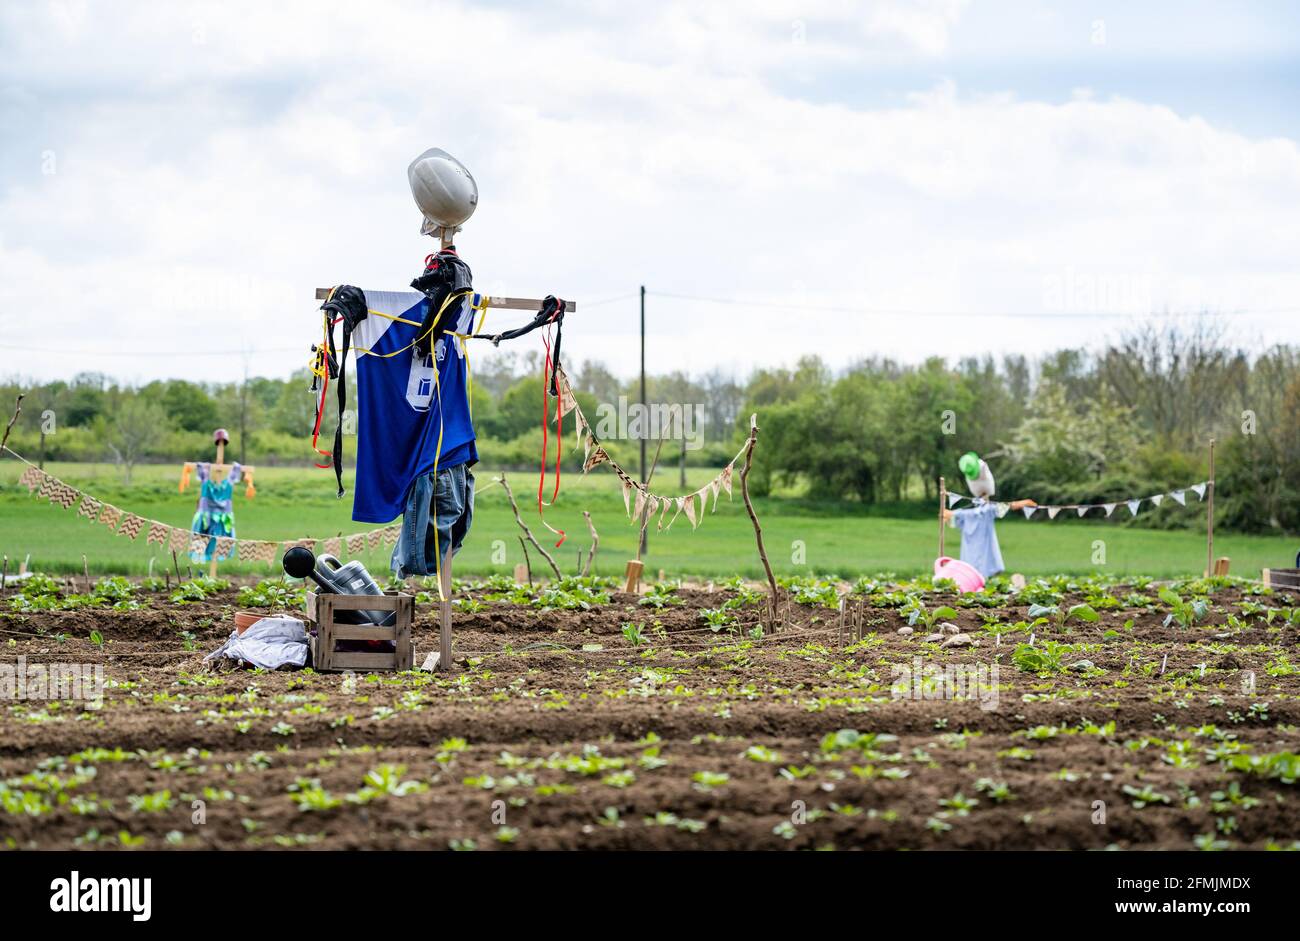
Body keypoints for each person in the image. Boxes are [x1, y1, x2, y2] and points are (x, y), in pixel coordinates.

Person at [320, 149, 481, 582]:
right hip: (434, 440)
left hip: (444, 439)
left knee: (447, 516)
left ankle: (406, 582)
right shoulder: (411, 315)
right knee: (436, 521)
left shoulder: (455, 311)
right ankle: (402, 585)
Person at [941, 451, 1036, 580]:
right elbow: (1006, 507)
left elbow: (1005, 507)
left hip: (978, 547)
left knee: (978, 569)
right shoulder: (976, 512)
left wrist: (949, 515)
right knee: (976, 569)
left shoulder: (976, 512)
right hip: (975, 548)